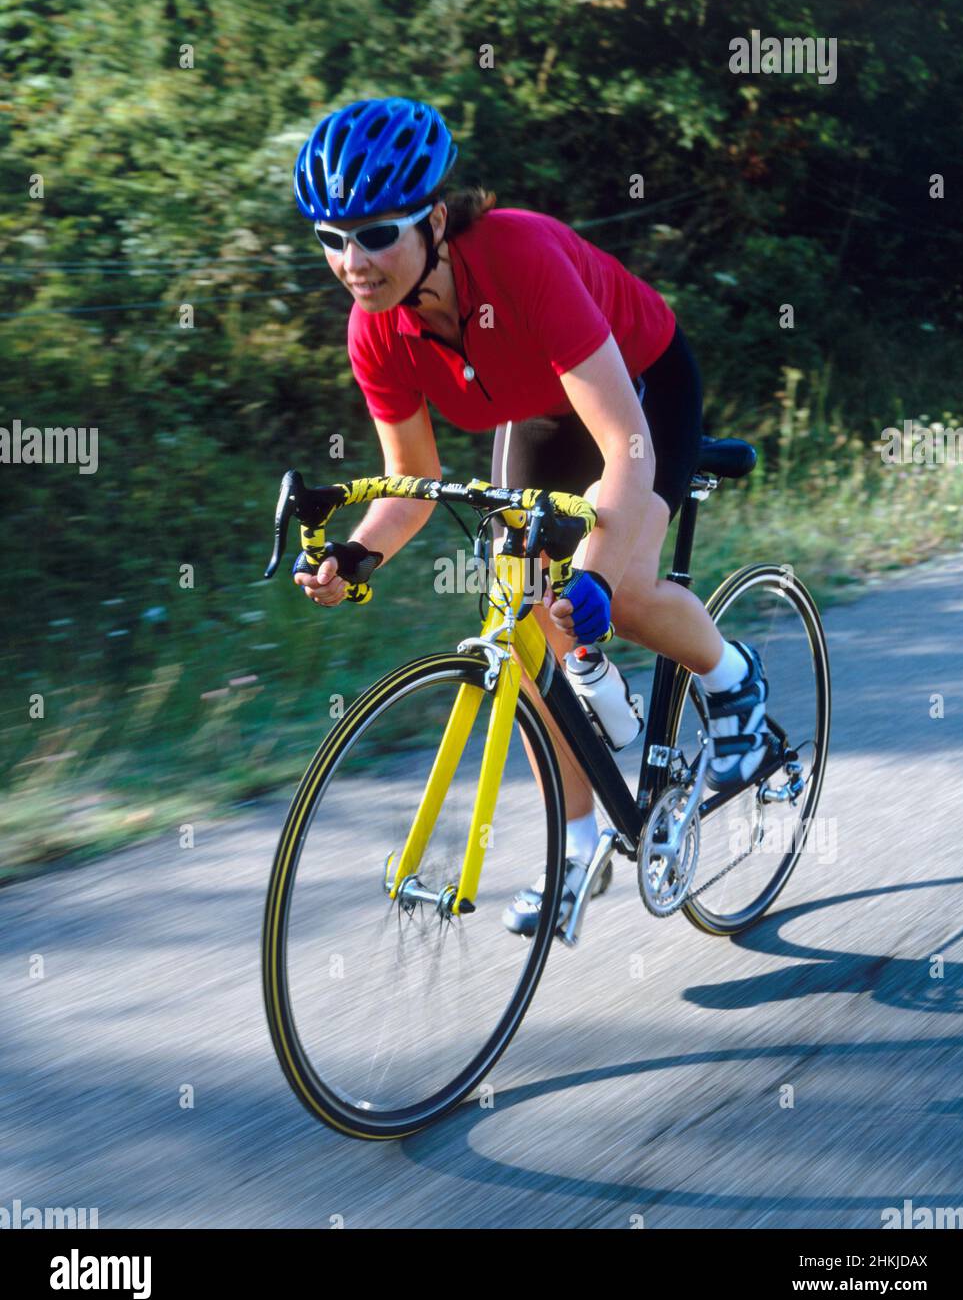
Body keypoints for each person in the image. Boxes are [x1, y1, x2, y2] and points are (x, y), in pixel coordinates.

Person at [292, 96, 772, 934]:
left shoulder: (517, 255)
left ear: (433, 219)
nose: (352, 261)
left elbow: (625, 448)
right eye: (332, 239)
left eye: (374, 234)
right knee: (527, 619)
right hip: (540, 408)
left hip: (640, 385)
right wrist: (356, 557)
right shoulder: (375, 333)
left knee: (609, 591)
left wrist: (591, 569)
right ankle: (578, 848)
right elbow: (411, 481)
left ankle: (732, 680)